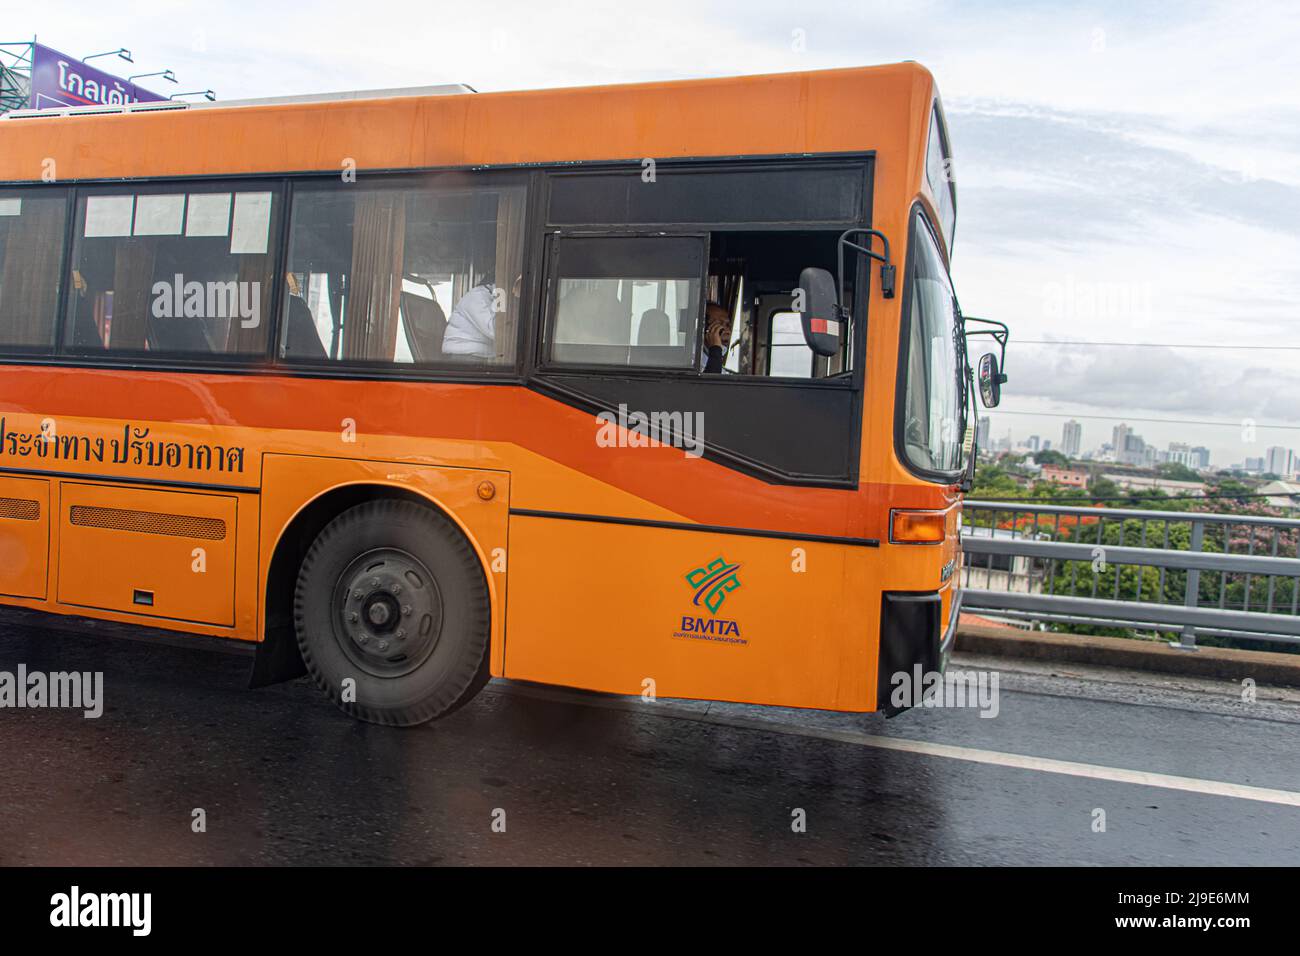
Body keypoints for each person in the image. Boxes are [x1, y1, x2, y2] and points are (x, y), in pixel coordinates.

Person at [441, 273, 498, 360]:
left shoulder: (488, 297)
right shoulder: (478, 296)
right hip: (463, 355)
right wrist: (502, 298)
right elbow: (495, 331)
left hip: (475, 354)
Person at [702, 301, 732, 374]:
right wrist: (715, 348)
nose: (728, 332)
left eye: (727, 325)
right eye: (720, 324)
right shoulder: (692, 361)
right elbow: (708, 383)